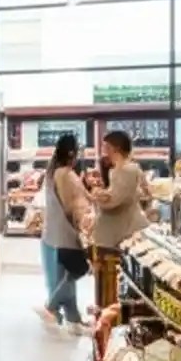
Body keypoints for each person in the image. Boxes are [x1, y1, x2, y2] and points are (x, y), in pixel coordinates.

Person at [34, 134, 92, 335]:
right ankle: (50, 307)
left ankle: (74, 320)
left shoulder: (53, 172)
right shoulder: (65, 174)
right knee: (78, 270)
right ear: (71, 152)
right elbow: (70, 205)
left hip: (55, 232)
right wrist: (83, 224)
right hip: (66, 232)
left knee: (66, 275)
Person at [90, 130, 150, 308]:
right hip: (117, 231)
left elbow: (115, 200)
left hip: (118, 233)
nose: (103, 151)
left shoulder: (126, 170)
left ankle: (108, 314)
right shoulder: (125, 169)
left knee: (109, 280)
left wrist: (96, 196)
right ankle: (106, 312)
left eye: (105, 146)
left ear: (114, 148)